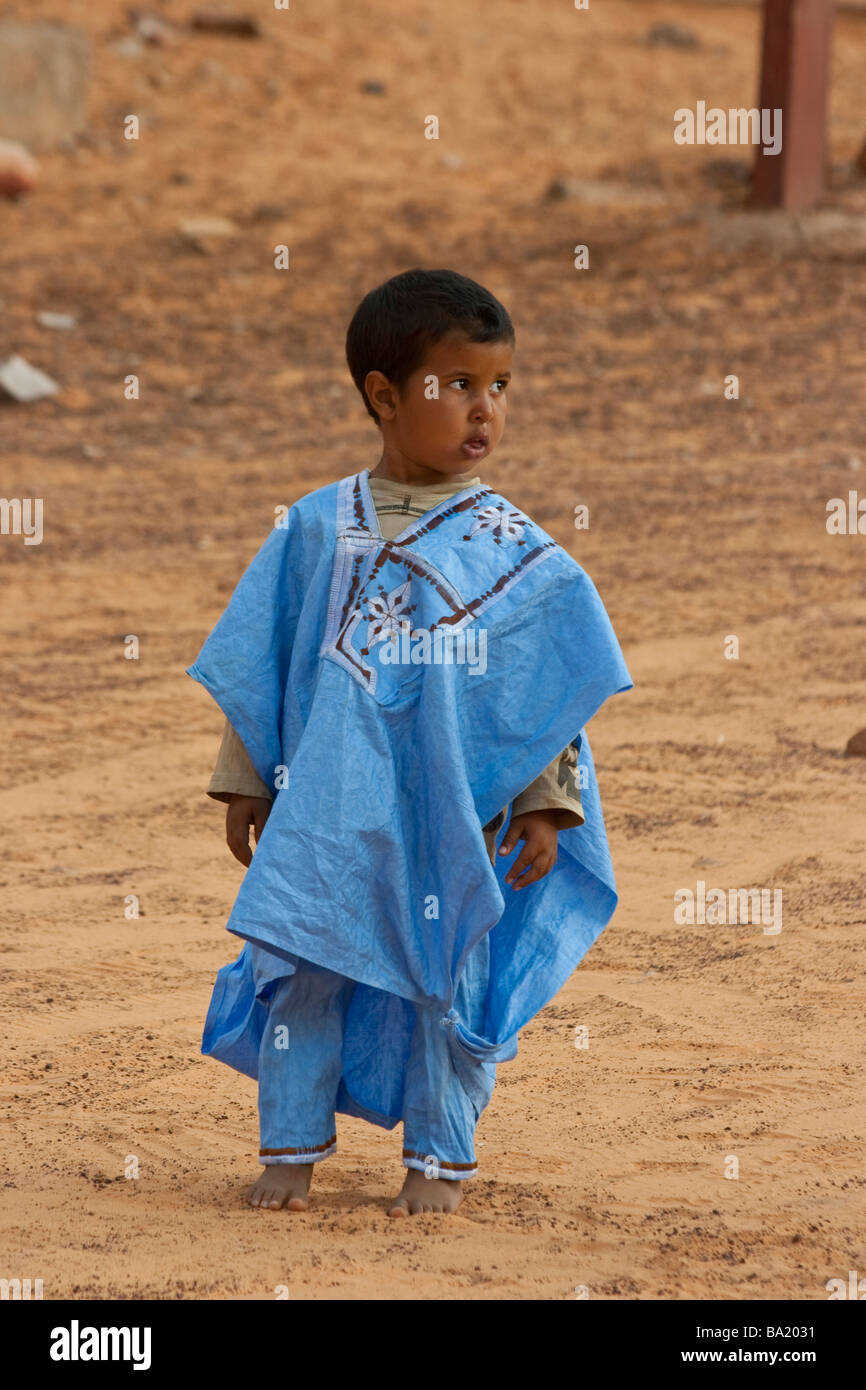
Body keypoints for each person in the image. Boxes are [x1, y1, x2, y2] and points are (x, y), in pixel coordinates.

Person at [188, 267, 632, 1216]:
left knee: (444, 983)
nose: (484, 410)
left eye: (499, 388)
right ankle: (289, 1150)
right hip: (325, 809)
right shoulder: (315, 528)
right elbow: (264, 661)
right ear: (385, 397)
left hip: (451, 815)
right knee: (303, 969)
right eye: (457, 385)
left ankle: (438, 1163)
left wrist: (546, 802)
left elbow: (540, 693)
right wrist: (246, 780)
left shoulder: (510, 545)